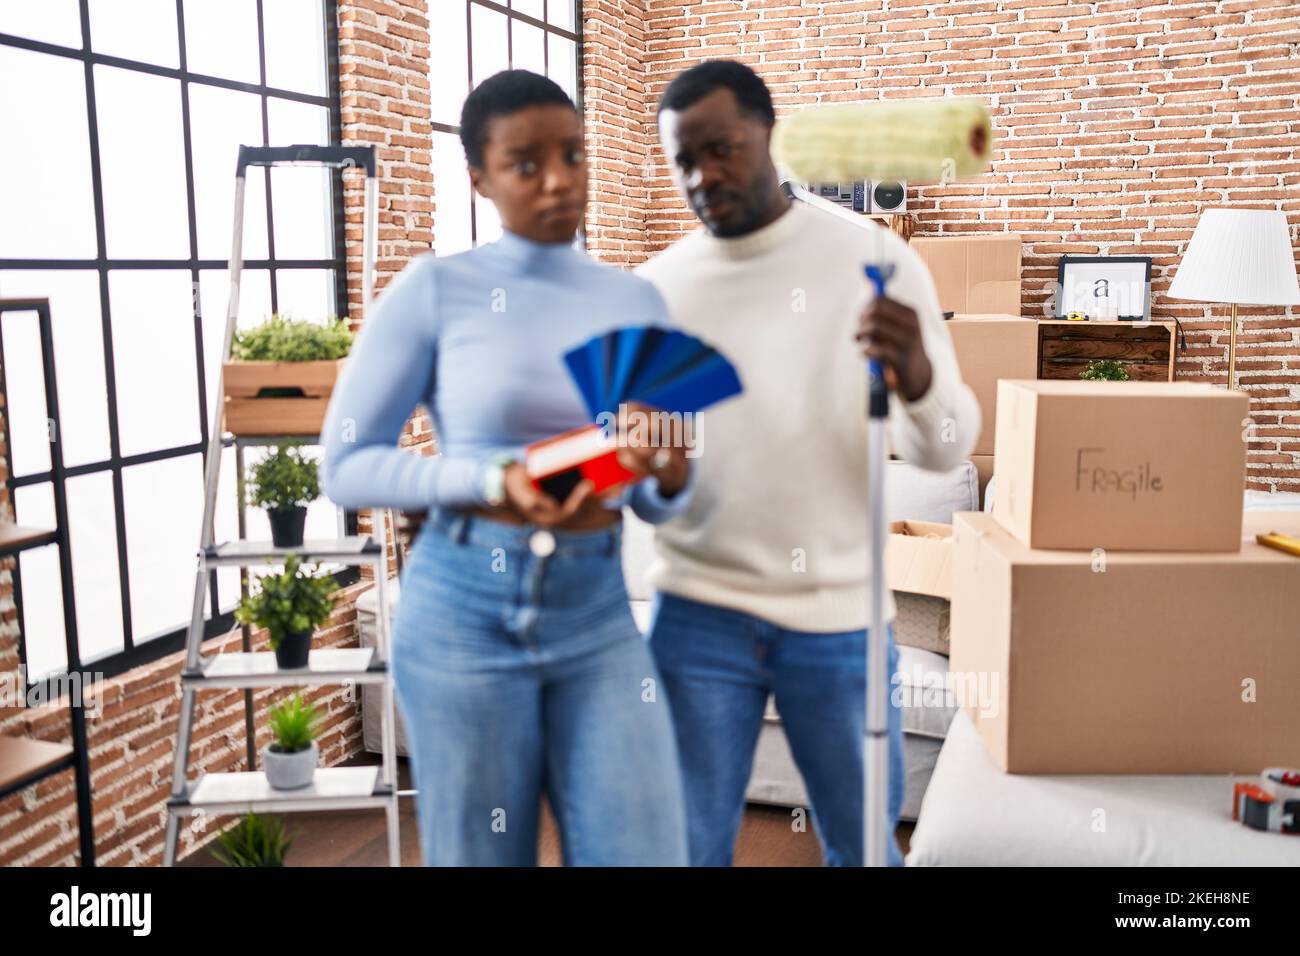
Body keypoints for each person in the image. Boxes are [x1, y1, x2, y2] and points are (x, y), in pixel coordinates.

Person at [321, 69, 693, 867]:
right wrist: (490, 479)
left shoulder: (639, 303)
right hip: (464, 614)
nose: (560, 180)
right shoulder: (435, 290)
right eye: (527, 163)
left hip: (597, 613)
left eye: (574, 153)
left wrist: (670, 465)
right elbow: (346, 465)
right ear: (480, 177)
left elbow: (665, 505)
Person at [635, 59, 981, 866]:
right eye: (683, 159)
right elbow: (654, 501)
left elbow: (948, 447)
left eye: (722, 149)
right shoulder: (656, 289)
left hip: (840, 621)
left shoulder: (874, 260)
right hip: (695, 617)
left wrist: (921, 380)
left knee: (863, 852)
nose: (702, 175)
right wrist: (650, 476)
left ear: (770, 136)